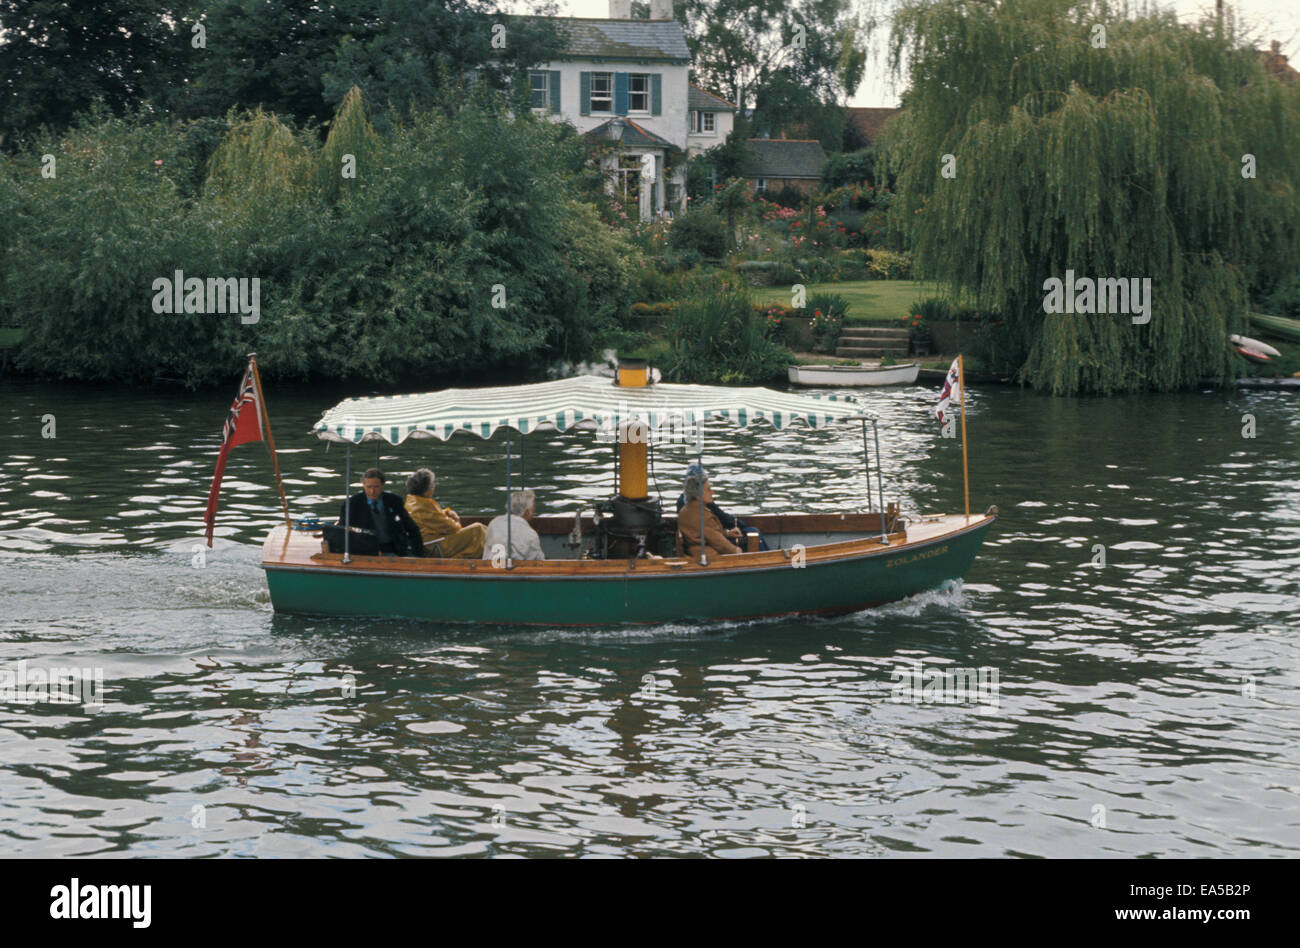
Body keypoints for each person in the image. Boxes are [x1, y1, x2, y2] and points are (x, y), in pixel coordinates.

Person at [674, 462, 768, 551]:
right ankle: (766, 560)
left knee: (752, 531)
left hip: (707, 541)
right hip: (708, 547)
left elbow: (715, 522)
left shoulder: (687, 501)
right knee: (753, 533)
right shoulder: (697, 503)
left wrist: (727, 532)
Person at [403, 468, 487, 558]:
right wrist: (456, 519)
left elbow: (433, 517)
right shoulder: (423, 506)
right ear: (427, 490)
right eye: (432, 485)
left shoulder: (413, 501)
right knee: (477, 529)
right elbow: (453, 528)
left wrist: (447, 512)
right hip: (434, 546)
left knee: (479, 532)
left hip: (429, 543)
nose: (433, 487)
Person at [339, 468, 424, 556]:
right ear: (363, 485)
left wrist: (419, 555)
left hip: (395, 549)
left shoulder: (394, 501)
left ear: (382, 485)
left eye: (376, 487)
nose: (372, 492)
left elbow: (412, 528)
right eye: (369, 487)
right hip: (365, 552)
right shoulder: (351, 504)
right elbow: (341, 532)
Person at [678, 468, 743, 560]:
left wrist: (727, 533)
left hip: (699, 552)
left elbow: (704, 534)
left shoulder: (687, 509)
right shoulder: (702, 516)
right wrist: (737, 551)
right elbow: (721, 544)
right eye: (708, 490)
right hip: (711, 559)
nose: (712, 492)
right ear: (698, 495)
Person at [483, 488, 546, 562]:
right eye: (533, 508)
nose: (534, 510)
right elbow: (539, 561)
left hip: (491, 568)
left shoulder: (494, 524)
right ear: (526, 512)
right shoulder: (531, 535)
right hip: (517, 572)